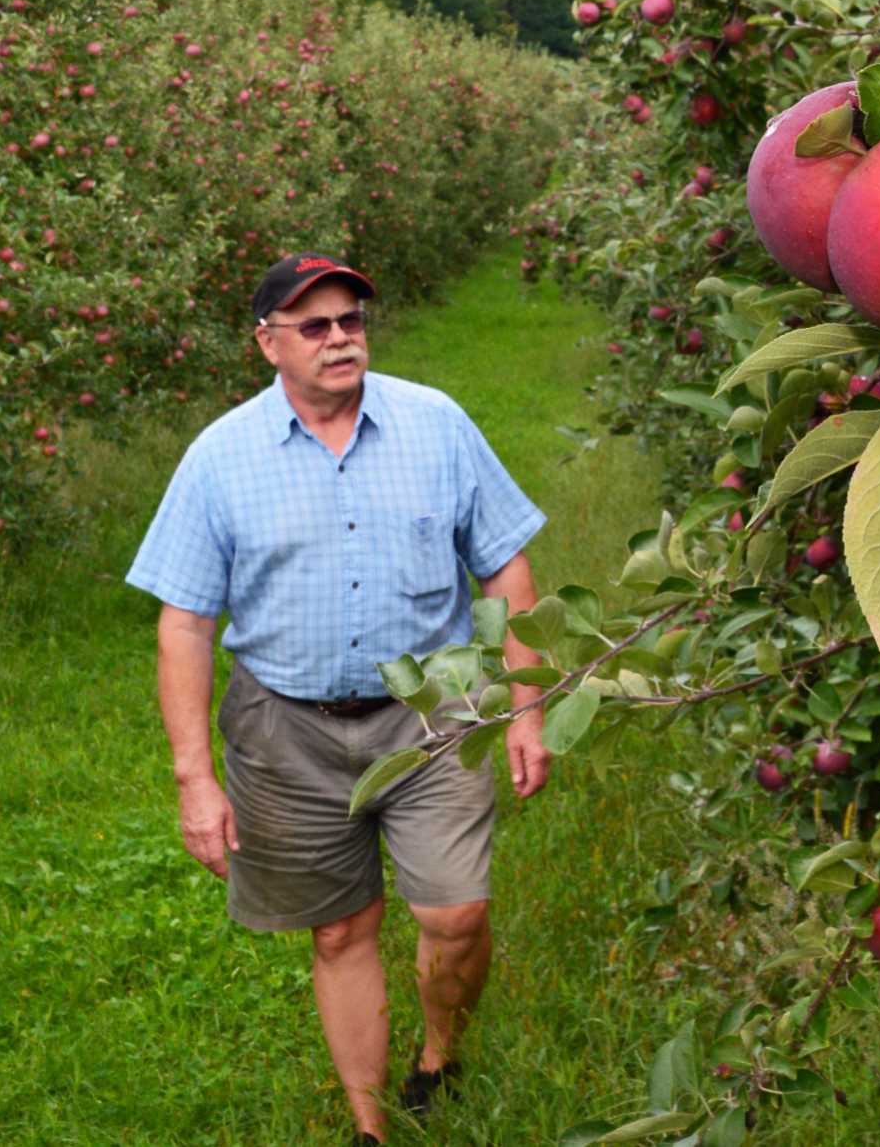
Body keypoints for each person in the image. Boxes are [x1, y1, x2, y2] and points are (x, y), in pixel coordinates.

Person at [126, 252, 551, 1144]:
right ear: (267, 344)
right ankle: (371, 1125)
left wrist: (527, 705)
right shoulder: (220, 458)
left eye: (350, 320)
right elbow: (186, 624)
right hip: (287, 730)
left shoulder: (435, 425)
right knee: (340, 931)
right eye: (313, 326)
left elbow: (505, 564)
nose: (339, 338)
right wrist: (194, 780)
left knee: (456, 914)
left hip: (435, 711)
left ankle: (440, 1056)